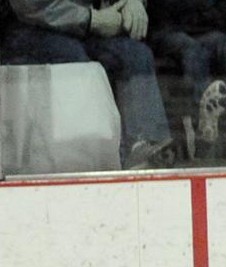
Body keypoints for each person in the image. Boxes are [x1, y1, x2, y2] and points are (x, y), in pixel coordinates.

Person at [2, 0, 175, 168]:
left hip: (84, 27)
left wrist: (132, 2)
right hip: (32, 26)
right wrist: (92, 19)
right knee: (76, 65)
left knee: (135, 55)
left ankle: (144, 148)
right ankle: (84, 160)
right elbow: (28, 5)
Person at [149, 0, 226, 157]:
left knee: (225, 45)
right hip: (169, 32)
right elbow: (162, 9)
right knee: (193, 50)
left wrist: (207, 12)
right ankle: (203, 122)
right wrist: (204, 7)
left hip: (204, 31)